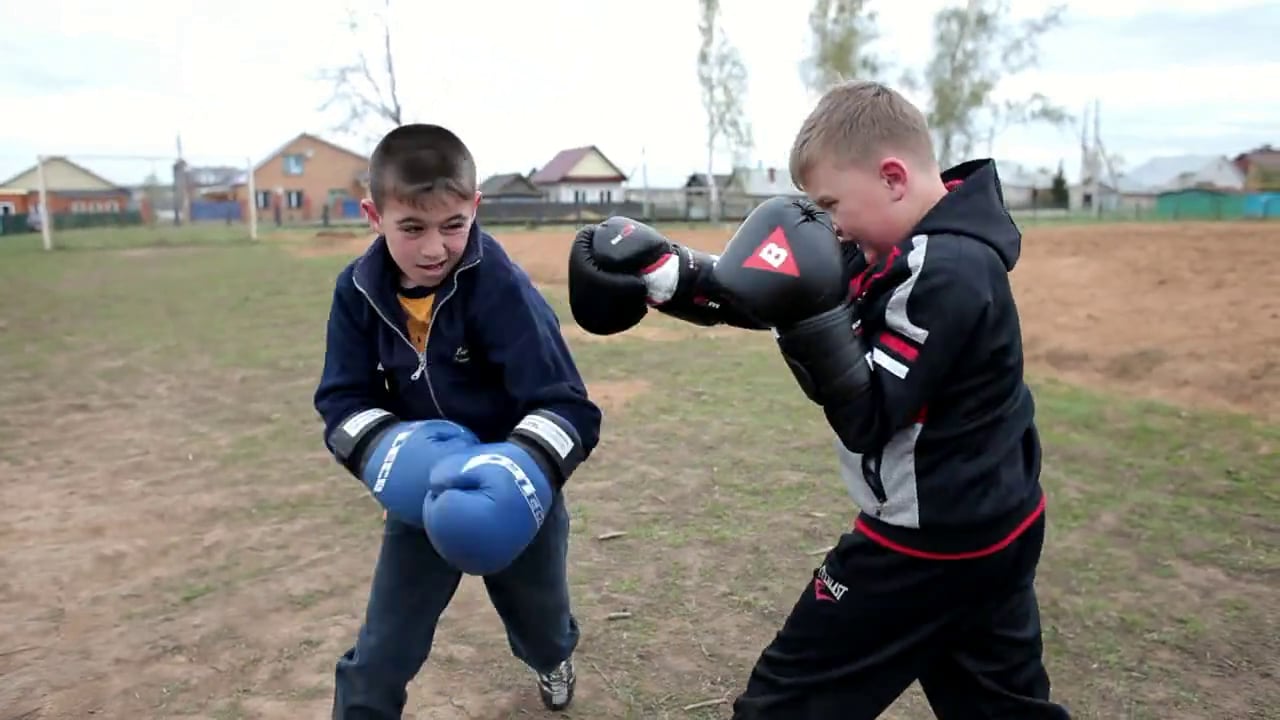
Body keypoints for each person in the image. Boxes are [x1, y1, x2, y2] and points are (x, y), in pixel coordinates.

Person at [567, 80, 1070, 719]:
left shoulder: (942, 268)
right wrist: (674, 275)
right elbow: (796, 287)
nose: (828, 224)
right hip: (994, 525)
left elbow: (866, 412)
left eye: (831, 203)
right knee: (1000, 708)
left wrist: (802, 316)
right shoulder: (907, 244)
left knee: (784, 706)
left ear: (892, 177)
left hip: (927, 546)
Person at [313, 123, 602, 719]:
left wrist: (523, 467)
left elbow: (570, 406)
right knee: (381, 652)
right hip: (421, 490)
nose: (433, 248)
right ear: (374, 214)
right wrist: (390, 455)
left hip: (519, 491)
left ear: (476, 207)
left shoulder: (500, 287)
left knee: (541, 625)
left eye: (453, 225)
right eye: (411, 228)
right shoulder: (357, 292)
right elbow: (340, 402)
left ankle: (553, 658)